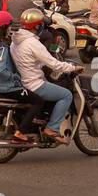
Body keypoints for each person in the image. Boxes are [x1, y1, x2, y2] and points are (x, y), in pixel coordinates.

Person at [9, 9, 83, 143]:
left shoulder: (15, 41)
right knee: (66, 95)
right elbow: (54, 64)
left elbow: (28, 61)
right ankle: (52, 128)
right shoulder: (33, 43)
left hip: (23, 82)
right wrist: (73, 68)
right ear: (37, 26)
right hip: (35, 84)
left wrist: (40, 65)